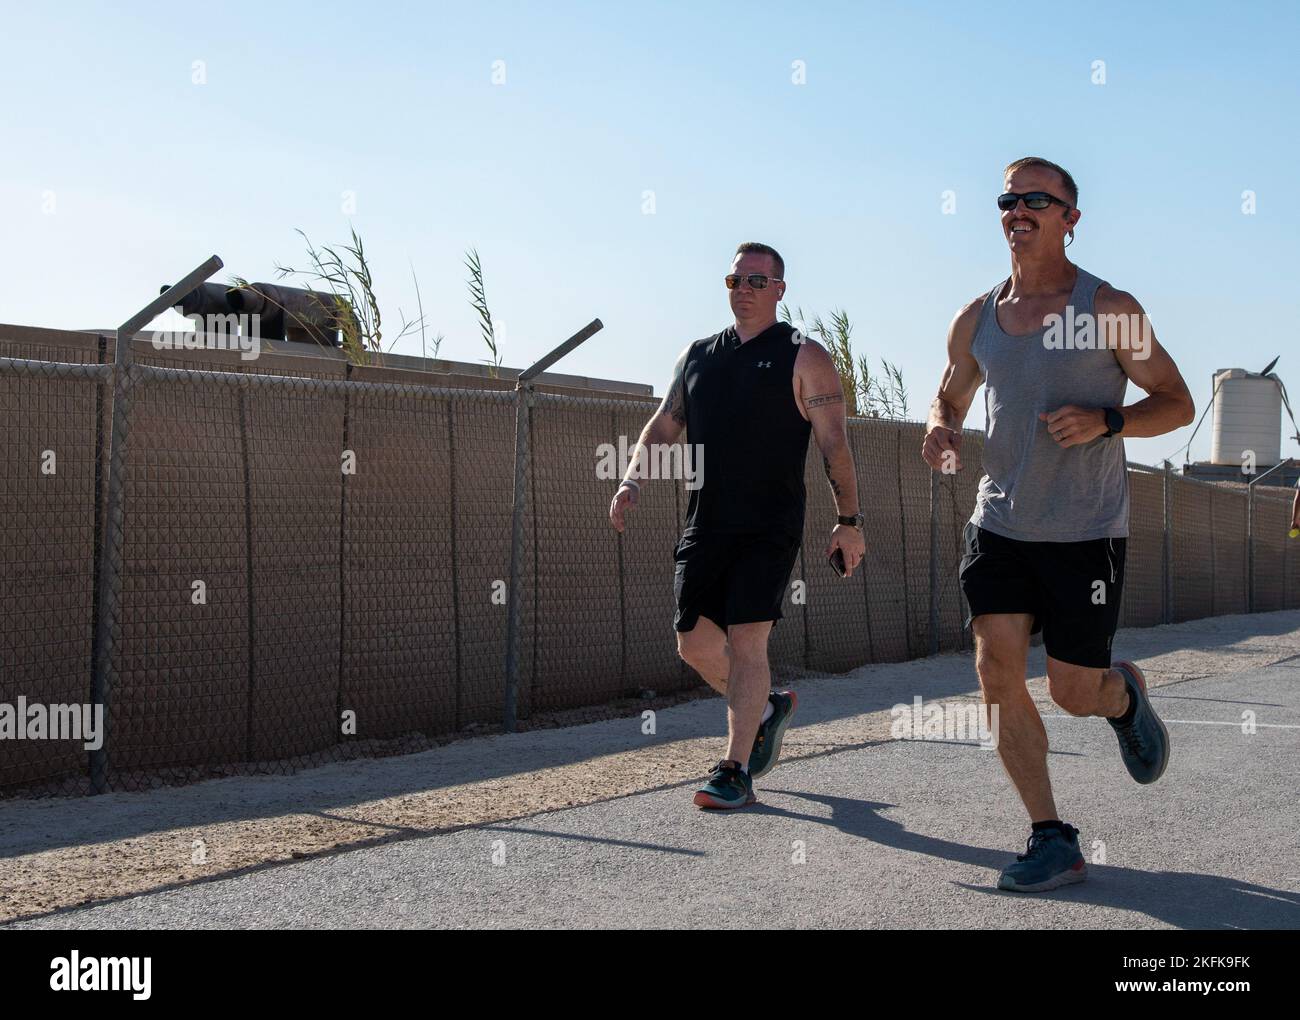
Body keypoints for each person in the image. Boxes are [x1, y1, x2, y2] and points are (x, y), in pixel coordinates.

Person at [922, 158, 1195, 891]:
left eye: (1038, 200)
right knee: (995, 670)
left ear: (1071, 218)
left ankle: (1121, 695)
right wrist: (941, 426)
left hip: (1085, 531)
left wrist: (1109, 420)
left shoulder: (1110, 307)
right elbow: (949, 394)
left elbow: (1177, 401)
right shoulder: (976, 317)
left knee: (1073, 691)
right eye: (1009, 199)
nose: (1019, 210)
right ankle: (1052, 836)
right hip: (1000, 522)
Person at [610, 241, 866, 809]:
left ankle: (735, 769)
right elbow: (663, 426)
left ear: (779, 289)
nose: (744, 290)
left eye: (757, 281)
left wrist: (847, 520)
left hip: (769, 525)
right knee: (692, 643)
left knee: (749, 639)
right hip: (706, 522)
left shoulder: (804, 357)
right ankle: (767, 708)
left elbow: (834, 444)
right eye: (735, 280)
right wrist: (631, 480)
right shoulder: (698, 356)